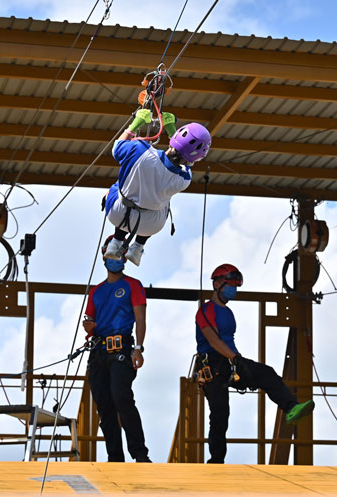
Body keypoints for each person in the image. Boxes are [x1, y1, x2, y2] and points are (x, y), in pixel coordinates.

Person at [195, 263, 315, 464]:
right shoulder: (206, 310)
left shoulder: (228, 313)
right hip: (214, 364)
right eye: (229, 285)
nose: (233, 290)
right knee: (220, 412)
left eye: (235, 286)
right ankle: (216, 460)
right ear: (217, 284)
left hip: (231, 360)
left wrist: (237, 360)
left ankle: (291, 408)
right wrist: (235, 359)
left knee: (266, 373)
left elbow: (228, 341)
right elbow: (214, 341)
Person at [103, 108, 212, 265]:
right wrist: (171, 130)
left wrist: (136, 123)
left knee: (119, 186)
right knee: (163, 202)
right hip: (150, 225)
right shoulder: (184, 179)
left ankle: (116, 242)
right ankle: (138, 248)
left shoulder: (140, 150)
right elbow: (183, 159)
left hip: (118, 214)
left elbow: (117, 148)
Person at [82, 236, 151, 463]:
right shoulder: (96, 291)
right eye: (113, 254)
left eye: (122, 254)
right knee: (104, 406)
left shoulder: (133, 285)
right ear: (105, 257)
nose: (117, 258)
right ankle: (115, 457)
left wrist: (138, 348)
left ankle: (140, 454)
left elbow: (140, 318)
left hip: (122, 347)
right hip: (99, 351)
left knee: (121, 397)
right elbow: (89, 319)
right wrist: (88, 325)